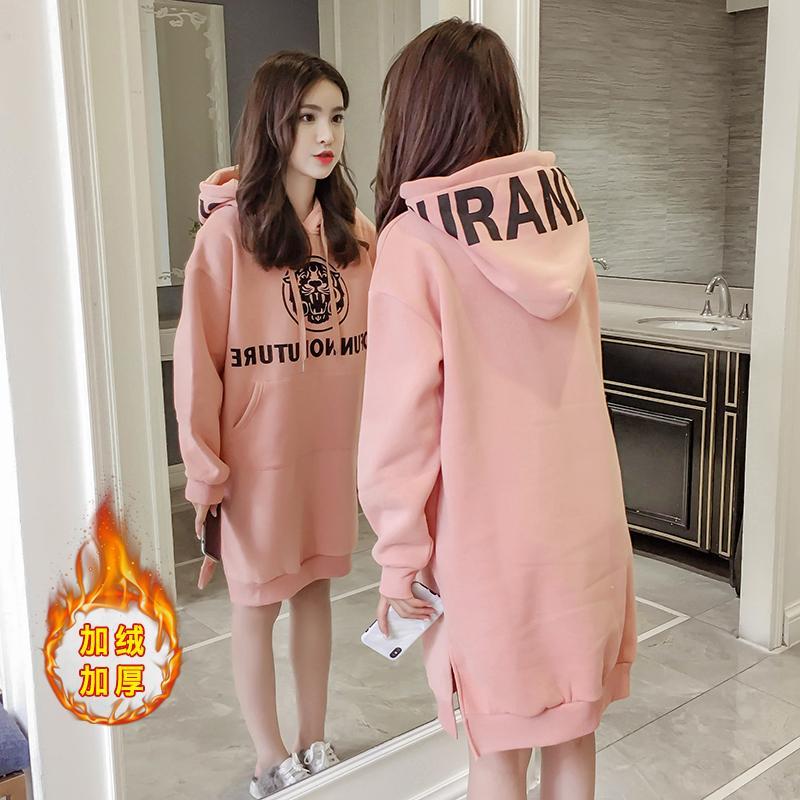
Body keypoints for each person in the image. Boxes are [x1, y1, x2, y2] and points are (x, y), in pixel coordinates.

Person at [357, 19, 637, 800]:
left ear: (418, 117)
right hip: (587, 533)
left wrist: (398, 561)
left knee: (498, 754)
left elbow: (398, 434)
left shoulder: (415, 243)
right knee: (573, 735)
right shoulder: (564, 222)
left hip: (488, 551)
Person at [173, 51, 375, 799]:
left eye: (336, 118)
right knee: (255, 606)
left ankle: (314, 739)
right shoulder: (226, 238)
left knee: (315, 592)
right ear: (273, 125)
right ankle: (268, 756)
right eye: (307, 117)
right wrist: (206, 472)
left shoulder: (356, 235)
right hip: (257, 463)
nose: (326, 135)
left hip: (328, 456)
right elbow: (197, 364)